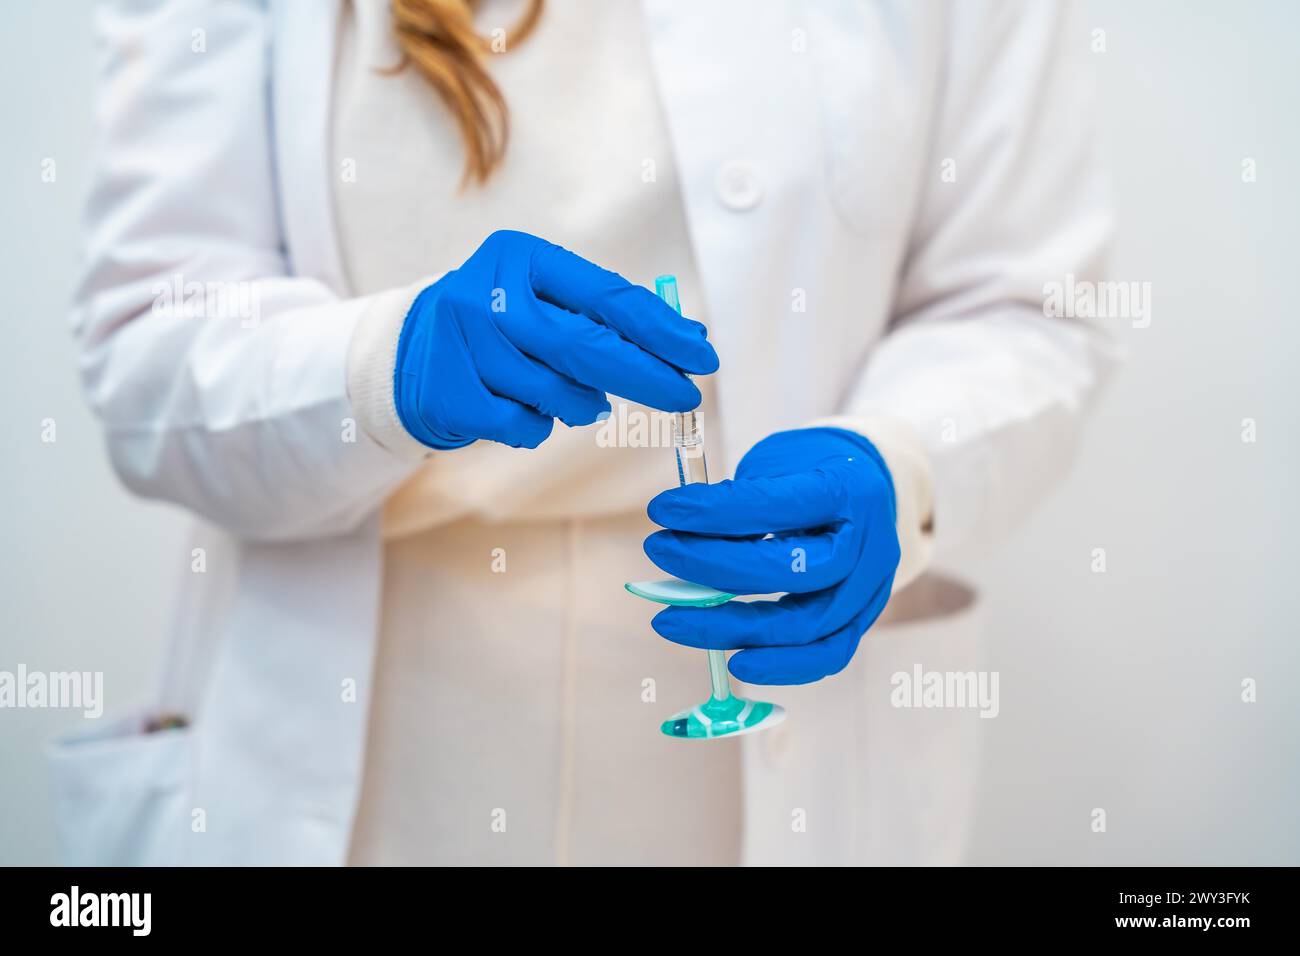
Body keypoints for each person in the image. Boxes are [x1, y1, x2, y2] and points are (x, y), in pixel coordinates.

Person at [55, 0, 1116, 866]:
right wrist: (383, 365)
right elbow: (148, 341)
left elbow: (1021, 304)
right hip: (369, 762)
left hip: (753, 758)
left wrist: (901, 459)